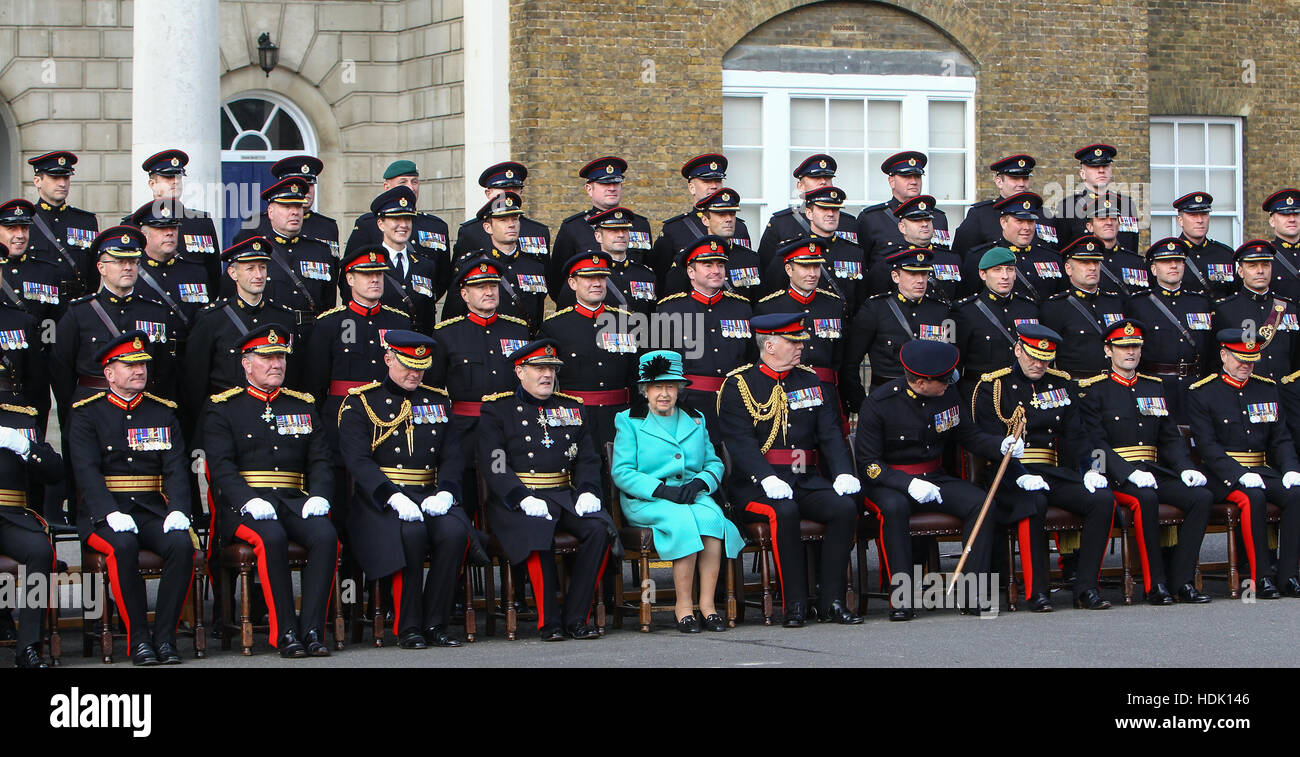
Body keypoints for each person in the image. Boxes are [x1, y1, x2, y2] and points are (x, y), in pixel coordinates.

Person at [337, 330, 487, 648]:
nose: (414, 373)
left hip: (428, 493)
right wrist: (391, 495)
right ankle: (408, 625)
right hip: (381, 500)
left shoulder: (437, 400)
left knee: (454, 533)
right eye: (406, 365)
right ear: (388, 359)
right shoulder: (361, 401)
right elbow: (358, 460)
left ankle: (435, 622)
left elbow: (451, 455)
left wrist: (446, 491)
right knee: (412, 532)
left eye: (420, 366)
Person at [202, 324, 339, 657]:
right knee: (271, 537)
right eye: (267, 358)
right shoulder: (224, 407)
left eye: (280, 357)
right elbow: (221, 467)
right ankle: (285, 632)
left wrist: (319, 494)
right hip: (246, 507)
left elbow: (320, 459)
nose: (276, 364)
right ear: (247, 363)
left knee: (325, 536)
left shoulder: (303, 405)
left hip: (293, 501)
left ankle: (312, 630)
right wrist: (247, 499)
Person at [717, 313, 861, 627]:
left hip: (804, 477)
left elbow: (829, 432)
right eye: (792, 342)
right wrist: (765, 476)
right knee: (784, 512)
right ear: (769, 345)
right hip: (757, 484)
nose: (800, 348)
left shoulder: (809, 380)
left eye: (800, 342)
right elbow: (739, 441)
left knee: (843, 508)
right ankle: (794, 603)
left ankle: (832, 601)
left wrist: (841, 471)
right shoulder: (739, 384)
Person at [856, 339, 1011, 618]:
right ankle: (901, 599)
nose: (949, 383)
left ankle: (972, 593)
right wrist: (908, 484)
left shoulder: (948, 395)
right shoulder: (880, 403)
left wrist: (1000, 445)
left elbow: (969, 436)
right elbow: (869, 465)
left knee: (981, 503)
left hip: (935, 476)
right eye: (942, 380)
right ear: (921, 381)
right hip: (891, 482)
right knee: (894, 508)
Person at [476, 339, 617, 641]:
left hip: (563, 494)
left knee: (599, 529)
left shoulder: (571, 407)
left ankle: (577, 616)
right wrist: (520, 496)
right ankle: (549, 621)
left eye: (551, 369)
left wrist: (589, 490)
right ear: (519, 372)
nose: (547, 375)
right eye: (539, 368)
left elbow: (588, 458)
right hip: (520, 499)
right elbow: (495, 464)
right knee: (537, 532)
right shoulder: (498, 410)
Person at [69, 331, 195, 665]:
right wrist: (108, 511)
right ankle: (139, 639)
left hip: (151, 508)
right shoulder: (86, 414)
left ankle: (164, 639)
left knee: (181, 545)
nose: (139, 370)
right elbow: (86, 471)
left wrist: (179, 509)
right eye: (129, 365)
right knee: (123, 546)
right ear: (109, 373)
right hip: (105, 512)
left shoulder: (163, 412)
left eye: (142, 364)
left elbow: (176, 468)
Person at [971, 324, 1116, 611]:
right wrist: (1019, 474)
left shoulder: (1062, 383)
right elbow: (984, 439)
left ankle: (1086, 587)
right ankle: (1038, 591)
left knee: (1102, 499)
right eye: (1032, 357)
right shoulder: (993, 386)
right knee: (1033, 501)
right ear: (1017, 350)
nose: (1039, 365)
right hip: (1008, 474)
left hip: (1051, 470)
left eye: (1045, 359)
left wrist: (1090, 468)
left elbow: (1077, 436)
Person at [1075, 319, 1213, 604]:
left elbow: (1169, 438)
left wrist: (1185, 467)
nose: (1130, 352)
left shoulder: (1154, 386)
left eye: (1135, 346)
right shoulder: (1093, 390)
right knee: (1145, 498)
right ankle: (1155, 585)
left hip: (1152, 468)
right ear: (1107, 350)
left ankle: (1182, 581)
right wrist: (1127, 473)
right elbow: (1095, 443)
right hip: (1117, 473)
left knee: (1201, 497)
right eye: (1123, 346)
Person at [610, 350, 743, 632]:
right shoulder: (628, 419)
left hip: (691, 495)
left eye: (670, 386)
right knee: (683, 522)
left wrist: (700, 483)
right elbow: (622, 472)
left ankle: (707, 606)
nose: (664, 393)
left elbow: (713, 462)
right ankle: (684, 607)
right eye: (657, 386)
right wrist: (661, 490)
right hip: (647, 500)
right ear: (645, 389)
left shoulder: (696, 418)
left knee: (712, 521)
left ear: (679, 389)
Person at [1187, 329, 1300, 599]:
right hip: (1222, 473)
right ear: (1224, 355)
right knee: (1253, 498)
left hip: (1260, 468)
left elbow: (1280, 438)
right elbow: (1207, 447)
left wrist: (1291, 468)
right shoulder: (1203, 392)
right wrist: (1238, 473)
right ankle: (1259, 576)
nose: (1245, 366)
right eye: (1239, 359)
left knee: (1296, 495)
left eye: (1250, 360)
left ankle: (1288, 575)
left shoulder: (1267, 388)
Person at [182, 238, 301, 431]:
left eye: (262, 267)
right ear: (233, 273)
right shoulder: (212, 319)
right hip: (227, 418)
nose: (258, 275)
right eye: (250, 268)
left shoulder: (283, 317)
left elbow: (294, 374)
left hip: (274, 417)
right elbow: (195, 382)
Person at [653, 236, 755, 433]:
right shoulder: (670, 309)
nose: (716, 271)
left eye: (720, 265)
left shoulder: (741, 308)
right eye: (707, 265)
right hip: (688, 404)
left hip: (735, 402)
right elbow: (659, 365)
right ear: (691, 271)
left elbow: (751, 357)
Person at [540, 252, 637, 451]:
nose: (597, 283)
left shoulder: (627, 322)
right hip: (574, 418)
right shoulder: (555, 326)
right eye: (588, 278)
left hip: (620, 417)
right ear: (573, 283)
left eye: (601, 277)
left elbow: (637, 376)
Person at [838, 247, 951, 413]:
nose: (920, 280)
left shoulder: (941, 311)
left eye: (924, 274)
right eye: (913, 274)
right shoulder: (875, 309)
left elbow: (952, 357)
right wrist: (863, 404)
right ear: (895, 276)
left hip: (930, 402)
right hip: (887, 402)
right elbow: (850, 363)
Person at [0, 375, 61, 667]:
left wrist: (22, 446)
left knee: (40, 551)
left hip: (11, 515)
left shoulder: (20, 418)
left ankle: (28, 646)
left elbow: (54, 471)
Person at [1124, 238, 1214, 423]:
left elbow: (1211, 348)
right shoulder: (1138, 304)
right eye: (1166, 261)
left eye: (1178, 261)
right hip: (1154, 387)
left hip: (1194, 386)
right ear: (1154, 269)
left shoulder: (1200, 303)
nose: (1173, 266)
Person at [755, 238, 847, 417]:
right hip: (783, 390)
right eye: (805, 267)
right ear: (789, 269)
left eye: (815, 267)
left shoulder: (834, 305)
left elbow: (840, 356)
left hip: (825, 390)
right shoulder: (769, 307)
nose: (812, 273)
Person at [226, 178, 336, 325]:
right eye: (287, 207)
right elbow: (231, 293)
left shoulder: (320, 251)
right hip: (270, 333)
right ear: (270, 212)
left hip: (311, 334)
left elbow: (329, 301)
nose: (294, 212)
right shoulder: (257, 251)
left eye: (298, 207)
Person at [440, 192, 548, 330]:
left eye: (514, 219)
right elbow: (453, 316)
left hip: (525, 343)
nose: (511, 225)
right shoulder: (469, 265)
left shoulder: (534, 265)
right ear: (488, 227)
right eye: (503, 220)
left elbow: (537, 313)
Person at [549, 156, 653, 293]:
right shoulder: (573, 227)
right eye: (604, 184)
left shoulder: (639, 224)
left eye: (616, 183)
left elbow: (649, 270)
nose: (612, 188)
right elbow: (557, 280)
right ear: (589, 189)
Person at [952, 247, 1041, 402]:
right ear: (982, 274)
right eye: (997, 270)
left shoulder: (1029, 307)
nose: (1005, 276)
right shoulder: (965, 311)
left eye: (1010, 270)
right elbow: (956, 362)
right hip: (983, 394)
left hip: (1022, 391)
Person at [650, 154, 754, 280]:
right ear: (692, 188)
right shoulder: (674, 229)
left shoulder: (738, 227)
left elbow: (748, 266)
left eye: (718, 181)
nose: (714, 186)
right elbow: (661, 276)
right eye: (707, 181)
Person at [354, 185, 440, 334]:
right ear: (381, 224)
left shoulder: (425, 265)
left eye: (408, 219)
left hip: (415, 349)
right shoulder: (368, 265)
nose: (404, 225)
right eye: (396, 219)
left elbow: (428, 314)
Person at [1212, 239, 1300, 381]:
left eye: (1265, 265)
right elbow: (1216, 359)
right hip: (1248, 391)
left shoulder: (1289, 308)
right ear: (1241, 271)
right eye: (1252, 266)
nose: (1260, 271)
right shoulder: (1224, 309)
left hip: (1285, 393)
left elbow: (1296, 357)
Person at [1039, 235, 1126, 379]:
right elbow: (1047, 356)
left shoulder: (1114, 302)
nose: (1092, 268)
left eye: (1096, 262)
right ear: (1068, 268)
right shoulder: (1055, 307)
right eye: (1084, 263)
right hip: (1077, 385)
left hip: (1113, 383)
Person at [346, 160, 450, 278]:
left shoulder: (436, 226)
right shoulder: (368, 224)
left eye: (414, 182)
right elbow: (350, 272)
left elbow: (443, 277)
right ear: (387, 186)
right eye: (403, 182)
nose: (410, 187)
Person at [757, 153, 860, 269]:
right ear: (800, 186)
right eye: (815, 178)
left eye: (828, 178)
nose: (823, 182)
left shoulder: (848, 222)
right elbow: (766, 268)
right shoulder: (781, 223)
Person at [661, 188, 764, 302]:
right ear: (705, 220)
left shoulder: (750, 258)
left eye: (732, 214)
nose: (729, 219)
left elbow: (759, 303)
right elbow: (673, 304)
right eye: (721, 214)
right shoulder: (686, 259)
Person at [960, 192, 1065, 303]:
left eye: (1030, 222)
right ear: (1003, 223)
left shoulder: (1052, 258)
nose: (1026, 228)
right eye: (1019, 221)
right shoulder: (980, 256)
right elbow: (969, 303)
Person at [140, 149, 222, 286]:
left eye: (178, 176)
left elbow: (213, 274)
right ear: (152, 184)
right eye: (168, 177)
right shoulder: (135, 224)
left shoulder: (201, 222)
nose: (175, 181)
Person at [454, 161, 551, 277]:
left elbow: (548, 277)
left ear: (521, 192)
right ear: (489, 193)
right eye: (504, 189)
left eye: (515, 189)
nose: (509, 194)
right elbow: (457, 277)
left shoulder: (538, 231)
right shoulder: (470, 231)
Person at [554, 206, 658, 314]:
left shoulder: (646, 275)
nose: (621, 235)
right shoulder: (583, 277)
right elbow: (565, 319)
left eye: (625, 230)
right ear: (598, 236)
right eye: (613, 231)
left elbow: (653, 317)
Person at [127, 198, 212, 328]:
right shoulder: (132, 272)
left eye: (173, 227)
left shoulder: (195, 272)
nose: (169, 233)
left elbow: (205, 320)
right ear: (144, 235)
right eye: (161, 228)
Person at [856, 151, 950, 265]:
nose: (914, 182)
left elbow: (944, 258)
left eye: (917, 176)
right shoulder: (871, 219)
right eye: (906, 177)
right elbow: (862, 263)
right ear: (892, 181)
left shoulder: (938, 217)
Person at [26, 151, 97, 297]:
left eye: (65, 177)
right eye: (54, 177)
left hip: (76, 305)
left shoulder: (85, 221)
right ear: (37, 181)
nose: (62, 183)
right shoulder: (26, 222)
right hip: (40, 304)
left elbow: (93, 271)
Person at [869, 194, 963, 304]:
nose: (924, 224)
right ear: (902, 227)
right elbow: (879, 302)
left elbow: (960, 299)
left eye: (928, 220)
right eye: (917, 221)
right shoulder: (887, 260)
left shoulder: (951, 259)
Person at [952, 154, 1047, 258]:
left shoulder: (1043, 214)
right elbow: (961, 257)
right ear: (999, 182)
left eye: (1025, 178)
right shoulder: (981, 214)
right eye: (1014, 178)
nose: (1021, 183)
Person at [1051, 143, 1140, 252]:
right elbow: (1061, 251)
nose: (1101, 170)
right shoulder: (1068, 207)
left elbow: (1132, 248)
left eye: (1105, 166)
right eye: (1094, 166)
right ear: (1083, 174)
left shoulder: (1126, 204)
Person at [1172, 191, 1236, 301]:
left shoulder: (1225, 254)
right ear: (1180, 220)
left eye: (1204, 214)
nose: (1200, 220)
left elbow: (1233, 296)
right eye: (1193, 215)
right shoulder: (1171, 255)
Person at [1264, 188, 1300, 302]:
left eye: (1297, 214)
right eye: (1285, 215)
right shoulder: (1264, 255)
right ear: (1272, 221)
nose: (1292, 219)